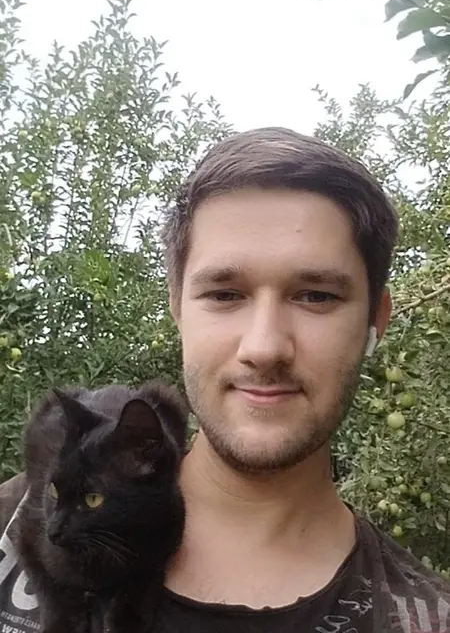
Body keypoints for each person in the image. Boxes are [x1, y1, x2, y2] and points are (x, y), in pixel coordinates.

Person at [0, 127, 448, 633]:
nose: (264, 347)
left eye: (316, 296)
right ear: (176, 307)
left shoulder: (424, 620)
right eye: (224, 294)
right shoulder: (18, 521)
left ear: (376, 320)